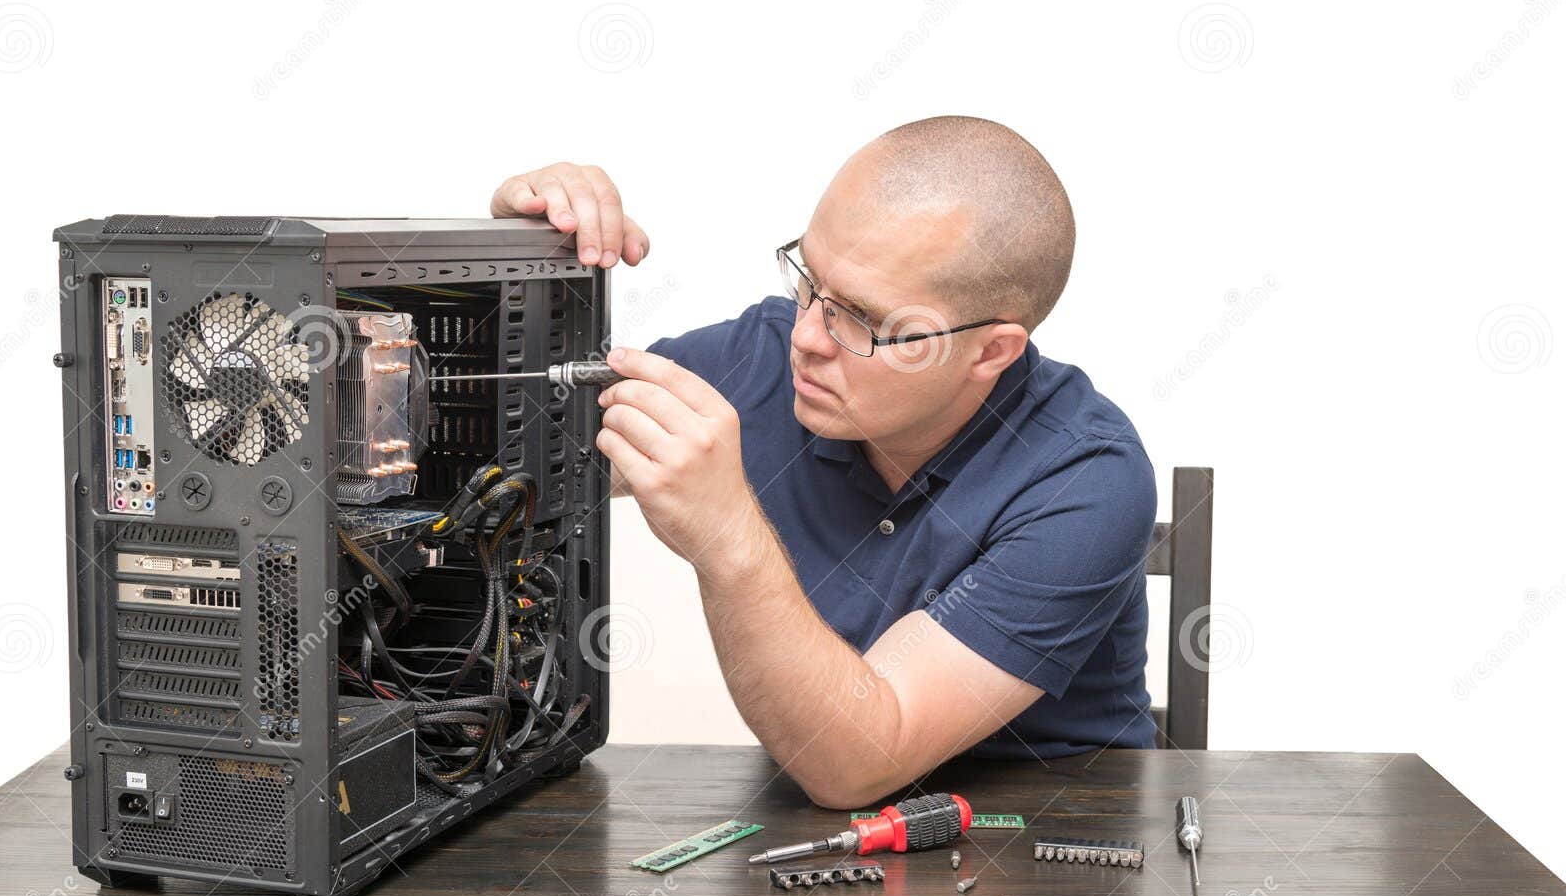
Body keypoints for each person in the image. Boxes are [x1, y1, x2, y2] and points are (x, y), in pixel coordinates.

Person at [489, 116, 1156, 808]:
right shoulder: (763, 360)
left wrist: (728, 536)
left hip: (1051, 835)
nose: (806, 337)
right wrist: (511, 268)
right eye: (809, 280)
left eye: (862, 319)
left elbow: (856, 766)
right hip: (810, 834)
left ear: (991, 352)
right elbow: (511, 455)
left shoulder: (1087, 480)